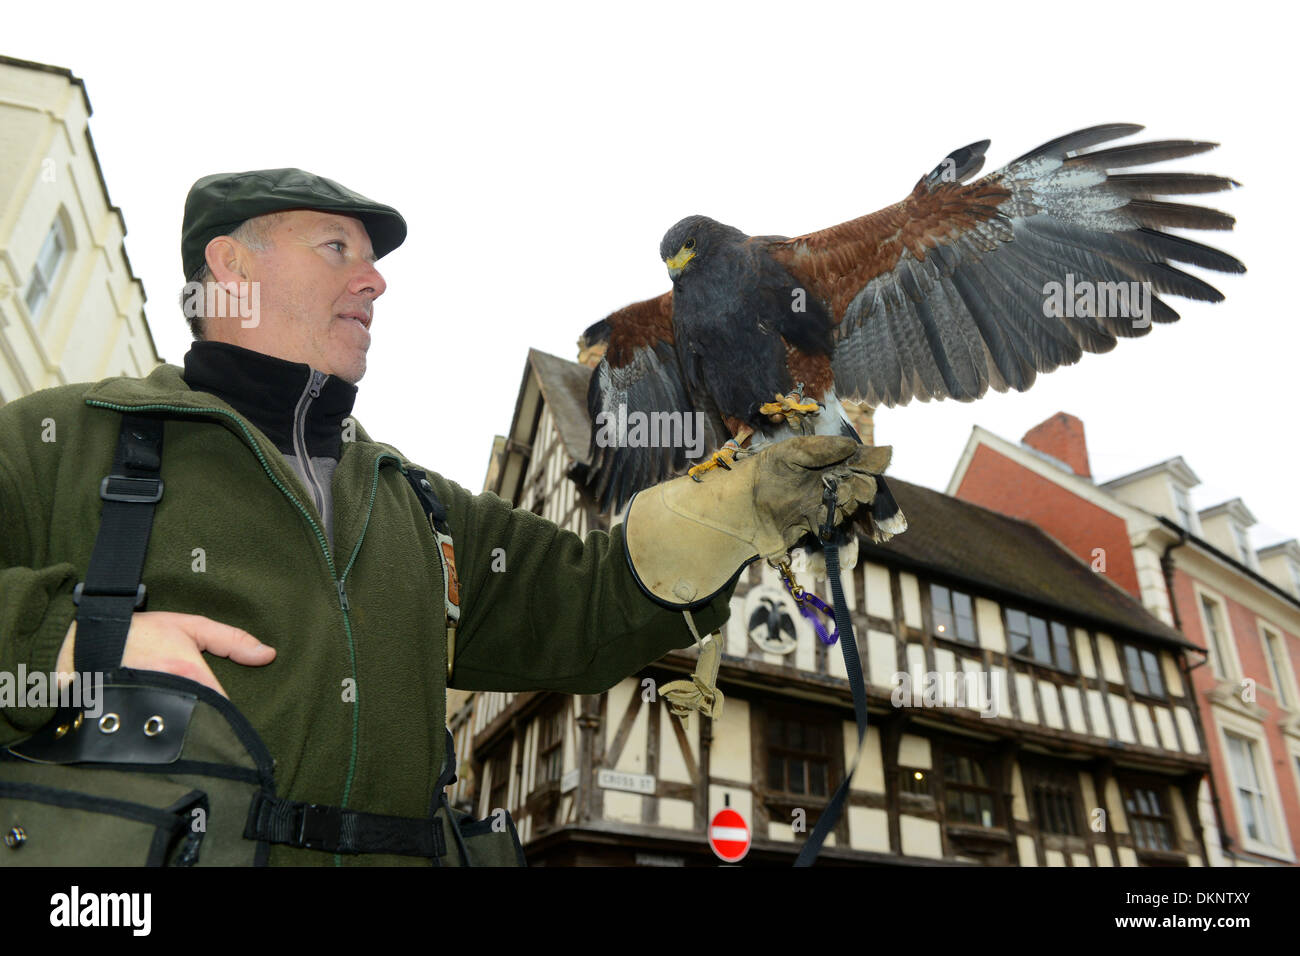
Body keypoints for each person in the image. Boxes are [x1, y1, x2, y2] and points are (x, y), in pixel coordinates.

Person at [0, 169, 889, 865]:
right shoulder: (62, 444)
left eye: (373, 259)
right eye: (338, 248)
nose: (376, 280)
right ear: (232, 267)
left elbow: (592, 606)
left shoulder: (418, 509)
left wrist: (733, 511)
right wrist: (66, 645)